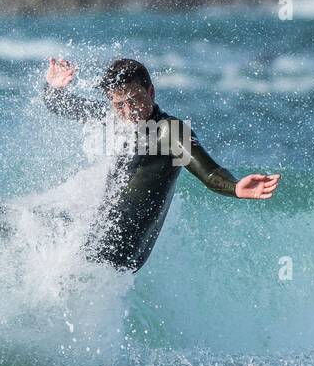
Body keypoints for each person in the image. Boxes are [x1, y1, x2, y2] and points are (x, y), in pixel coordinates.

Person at [42, 57, 279, 270]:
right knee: (40, 224)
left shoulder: (170, 131)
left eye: (135, 99)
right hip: (98, 246)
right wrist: (53, 89)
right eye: (119, 105)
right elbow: (59, 105)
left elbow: (209, 173)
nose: (129, 110)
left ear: (151, 92)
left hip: (115, 254)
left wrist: (234, 187)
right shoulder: (116, 121)